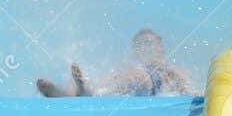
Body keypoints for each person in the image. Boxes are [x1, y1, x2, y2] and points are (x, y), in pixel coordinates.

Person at [37, 29, 193, 98]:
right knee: (119, 79)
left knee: (128, 78)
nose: (147, 48)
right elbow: (188, 91)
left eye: (150, 44)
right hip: (142, 83)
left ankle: (83, 92)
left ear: (160, 48)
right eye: (142, 44)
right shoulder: (158, 68)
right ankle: (73, 93)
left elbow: (186, 88)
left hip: (145, 81)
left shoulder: (163, 68)